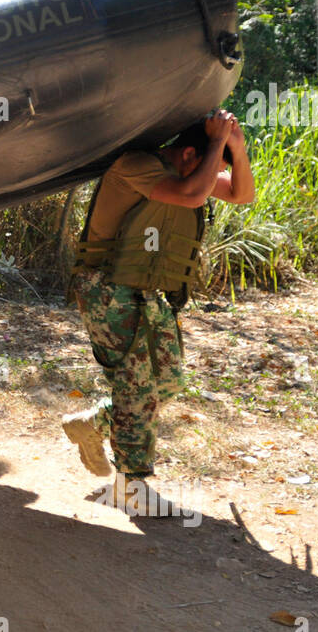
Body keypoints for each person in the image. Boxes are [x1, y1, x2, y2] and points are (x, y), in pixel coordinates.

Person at [61, 108, 253, 511]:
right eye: (212, 165)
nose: (214, 175)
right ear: (187, 155)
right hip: (106, 288)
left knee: (166, 381)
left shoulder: (188, 171)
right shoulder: (135, 166)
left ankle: (93, 423)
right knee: (136, 383)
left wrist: (233, 144)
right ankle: (131, 488)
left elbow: (241, 193)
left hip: (146, 292)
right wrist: (217, 142)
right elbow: (191, 195)